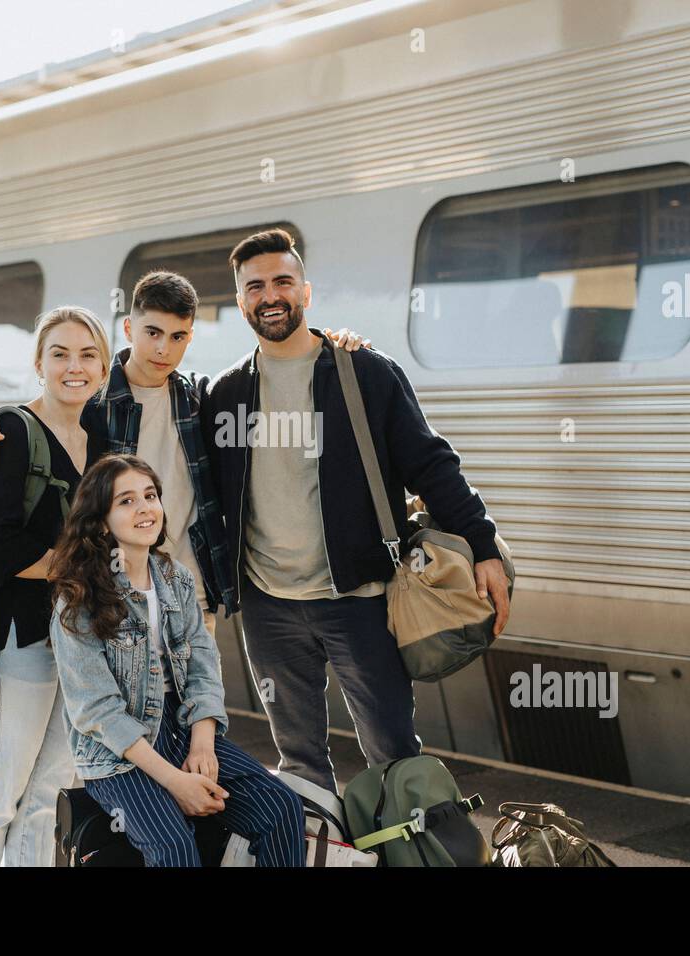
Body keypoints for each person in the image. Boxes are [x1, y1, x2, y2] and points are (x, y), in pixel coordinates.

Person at [200, 228, 512, 795]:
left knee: (394, 754)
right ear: (241, 300)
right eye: (255, 287)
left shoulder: (364, 373)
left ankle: (409, 850)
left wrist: (483, 545)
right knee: (297, 763)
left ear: (306, 291)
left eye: (282, 282)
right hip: (268, 608)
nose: (271, 296)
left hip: (360, 600)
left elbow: (432, 465)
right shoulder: (225, 394)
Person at [0, 271, 370, 637]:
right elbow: (38, 413)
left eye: (178, 336)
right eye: (153, 333)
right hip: (118, 599)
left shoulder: (199, 399)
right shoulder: (95, 402)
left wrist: (326, 345)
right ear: (129, 329)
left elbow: (272, 383)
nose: (163, 349)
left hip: (193, 597)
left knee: (201, 723)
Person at [48, 454, 306, 867]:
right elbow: (96, 710)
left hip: (183, 727)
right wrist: (176, 782)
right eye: (126, 501)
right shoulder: (79, 599)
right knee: (173, 848)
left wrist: (203, 743)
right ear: (100, 522)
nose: (145, 508)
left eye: (150, 495)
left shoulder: (177, 580)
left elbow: (203, 665)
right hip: (119, 752)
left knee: (280, 808)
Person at [0, 306, 109, 866]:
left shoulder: (100, 436)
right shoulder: (11, 430)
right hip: (12, 645)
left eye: (88, 354)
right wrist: (84, 570)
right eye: (60, 354)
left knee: (46, 801)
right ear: (38, 364)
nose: (75, 366)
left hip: (75, 644)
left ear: (104, 367)